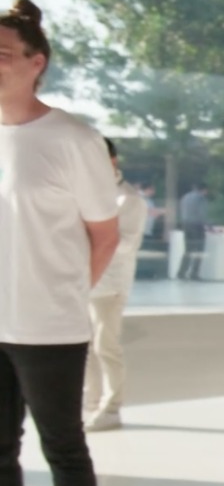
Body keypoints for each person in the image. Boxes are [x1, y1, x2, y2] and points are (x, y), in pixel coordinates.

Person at [0, 0, 120, 486]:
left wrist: (68, 293)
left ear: (35, 63)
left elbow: (104, 233)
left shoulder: (72, 138)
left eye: (2, 54)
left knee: (63, 451)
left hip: (49, 326)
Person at [84, 138, 148, 433]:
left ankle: (111, 408)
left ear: (112, 161)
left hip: (109, 285)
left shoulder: (129, 200)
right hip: (82, 283)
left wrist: (89, 236)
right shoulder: (86, 193)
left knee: (105, 346)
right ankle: (90, 403)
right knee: (85, 348)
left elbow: (124, 244)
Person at [175, 182, 208, 280]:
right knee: (199, 251)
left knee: (188, 250)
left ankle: (181, 272)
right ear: (204, 190)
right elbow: (201, 213)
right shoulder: (200, 198)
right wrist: (209, 225)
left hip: (186, 225)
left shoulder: (185, 197)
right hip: (197, 226)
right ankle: (194, 273)